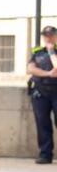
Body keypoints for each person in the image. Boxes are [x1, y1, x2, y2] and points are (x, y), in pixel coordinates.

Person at [27, 25, 57, 164]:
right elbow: (30, 69)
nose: (48, 38)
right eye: (45, 35)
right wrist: (48, 74)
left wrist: (51, 51)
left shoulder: (53, 51)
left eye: (51, 35)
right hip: (40, 92)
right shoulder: (37, 51)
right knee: (42, 124)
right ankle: (45, 154)